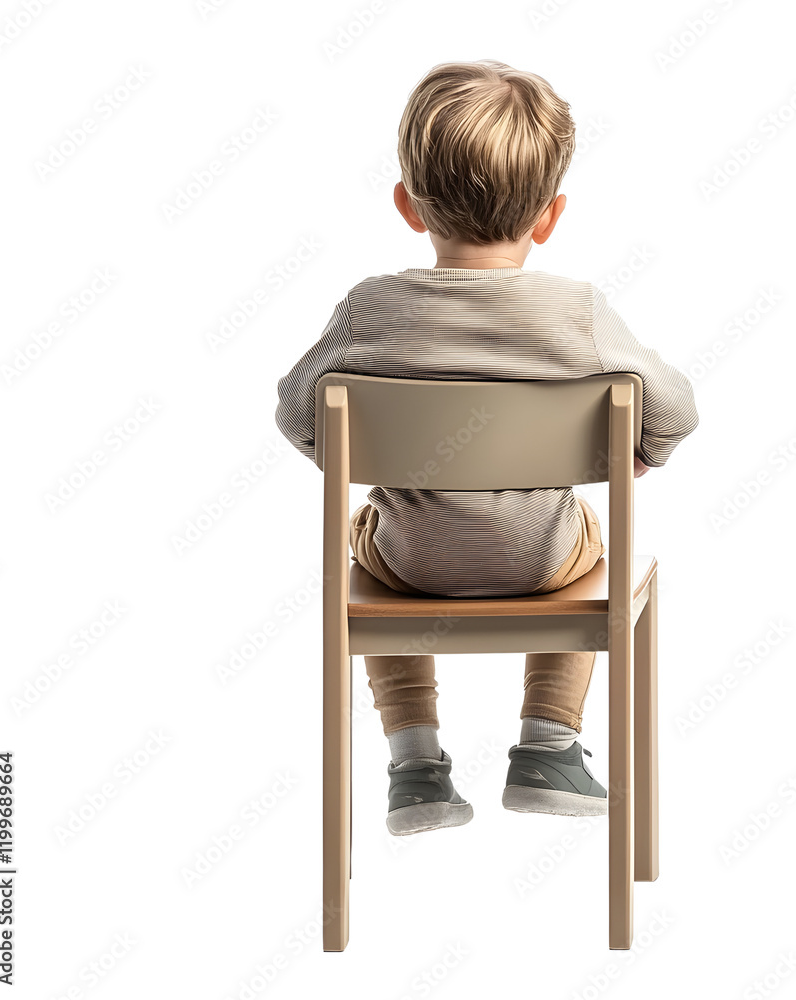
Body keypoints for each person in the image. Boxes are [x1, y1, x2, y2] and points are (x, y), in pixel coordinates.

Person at [275, 60, 698, 836]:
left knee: (357, 545)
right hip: (542, 564)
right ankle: (547, 744)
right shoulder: (576, 312)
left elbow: (299, 411)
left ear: (407, 205)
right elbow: (674, 407)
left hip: (409, 567)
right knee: (596, 540)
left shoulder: (370, 311)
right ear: (550, 215)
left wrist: (357, 459)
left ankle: (414, 764)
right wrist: (643, 453)